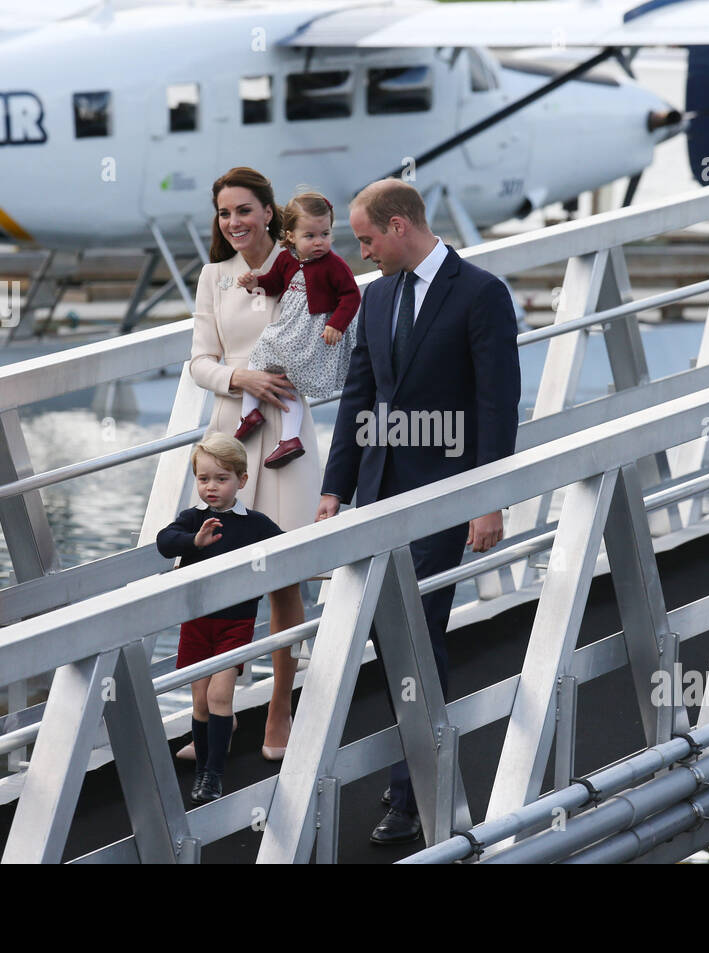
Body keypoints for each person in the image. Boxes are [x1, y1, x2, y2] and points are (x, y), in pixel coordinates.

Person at [315, 178, 521, 845]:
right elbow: (357, 397)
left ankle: (408, 795)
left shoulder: (481, 294)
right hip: (379, 492)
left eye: (367, 237)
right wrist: (333, 489)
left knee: (417, 628)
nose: (361, 250)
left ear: (400, 226)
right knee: (387, 632)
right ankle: (419, 757)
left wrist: (487, 500)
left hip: (446, 496)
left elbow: (497, 404)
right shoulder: (377, 298)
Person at [188, 167, 319, 760]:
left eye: (244, 210)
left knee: (285, 573)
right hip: (230, 437)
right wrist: (238, 376)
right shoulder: (214, 277)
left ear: (269, 211)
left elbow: (323, 338)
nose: (234, 222)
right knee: (220, 570)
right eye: (224, 213)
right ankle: (216, 716)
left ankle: (279, 710)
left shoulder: (299, 269)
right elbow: (199, 361)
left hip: (286, 430)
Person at [156, 433, 284, 804]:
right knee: (199, 703)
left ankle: (212, 776)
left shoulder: (255, 524)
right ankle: (203, 766)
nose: (211, 487)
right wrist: (194, 542)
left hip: (235, 624)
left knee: (219, 693)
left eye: (221, 478)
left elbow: (286, 545)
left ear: (242, 481)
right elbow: (165, 541)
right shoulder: (192, 520)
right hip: (196, 623)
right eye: (203, 478)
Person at [235, 190, 361, 469]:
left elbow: (351, 296)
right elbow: (272, 284)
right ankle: (271, 427)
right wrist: (251, 283)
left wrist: (335, 324)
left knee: (275, 368)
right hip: (292, 327)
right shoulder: (286, 259)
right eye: (310, 236)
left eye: (325, 234)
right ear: (290, 235)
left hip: (313, 332)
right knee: (267, 369)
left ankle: (269, 426)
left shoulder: (334, 265)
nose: (319, 242)